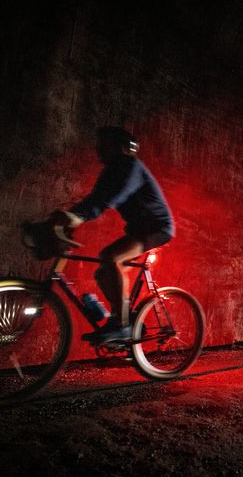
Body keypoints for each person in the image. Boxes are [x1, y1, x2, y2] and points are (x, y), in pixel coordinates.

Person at [57, 126, 174, 341]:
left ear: (121, 146)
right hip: (140, 229)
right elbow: (95, 199)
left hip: (157, 227)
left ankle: (122, 324)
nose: (98, 148)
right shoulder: (111, 169)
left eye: (104, 143)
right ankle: (123, 318)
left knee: (112, 257)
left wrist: (76, 217)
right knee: (102, 272)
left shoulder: (131, 167)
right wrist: (71, 216)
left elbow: (111, 197)